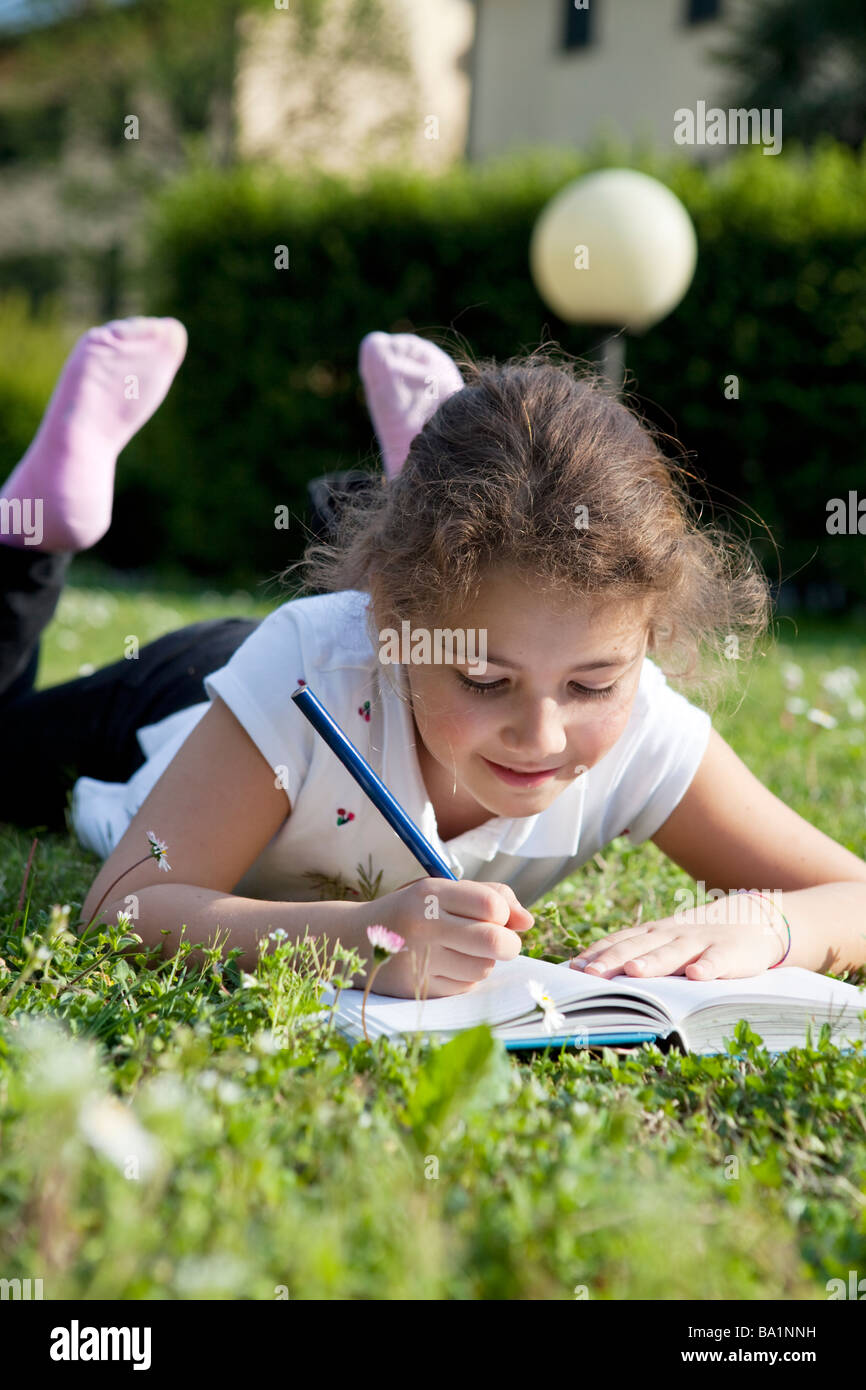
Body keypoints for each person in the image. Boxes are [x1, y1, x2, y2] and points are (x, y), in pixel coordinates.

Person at [2, 319, 865, 1000]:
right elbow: (127, 907)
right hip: (191, 696)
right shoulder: (309, 665)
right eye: (485, 680)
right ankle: (30, 533)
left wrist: (771, 925)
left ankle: (422, 466)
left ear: (650, 642)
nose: (540, 733)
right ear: (393, 623)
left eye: (592, 683)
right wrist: (361, 939)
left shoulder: (645, 727)